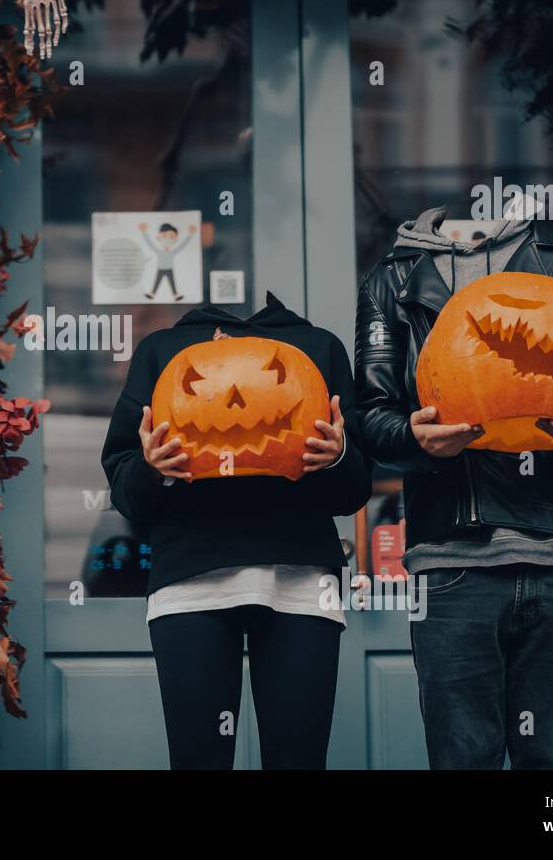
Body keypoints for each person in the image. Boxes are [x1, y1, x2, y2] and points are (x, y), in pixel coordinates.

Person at [354, 207, 553, 769]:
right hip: (450, 563)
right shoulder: (393, 278)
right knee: (462, 761)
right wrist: (413, 440)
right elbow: (371, 416)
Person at [101, 293, 371, 769]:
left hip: (303, 581)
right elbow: (127, 496)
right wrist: (150, 468)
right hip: (189, 580)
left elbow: (352, 493)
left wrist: (340, 456)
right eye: (202, 384)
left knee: (298, 759)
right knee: (198, 758)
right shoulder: (161, 352)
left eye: (270, 378)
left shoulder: (318, 349)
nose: (235, 400)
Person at [139, 221, 196, 301]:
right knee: (157, 282)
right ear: (158, 237)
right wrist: (144, 233)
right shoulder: (159, 251)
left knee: (172, 282)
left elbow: (183, 245)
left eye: (171, 236)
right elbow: (150, 244)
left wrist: (190, 234)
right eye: (164, 236)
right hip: (160, 269)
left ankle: (175, 295)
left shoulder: (173, 252)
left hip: (169, 269)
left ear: (175, 239)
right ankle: (152, 293)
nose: (167, 239)